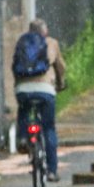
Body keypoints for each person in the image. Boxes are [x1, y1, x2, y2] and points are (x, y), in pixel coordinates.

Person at [11, 18, 65, 173]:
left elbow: (15, 66)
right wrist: (60, 83)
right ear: (44, 31)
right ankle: (52, 171)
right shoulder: (51, 43)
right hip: (45, 90)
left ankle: (22, 137)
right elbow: (60, 67)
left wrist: (19, 86)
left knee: (23, 111)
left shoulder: (22, 43)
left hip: (23, 89)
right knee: (48, 128)